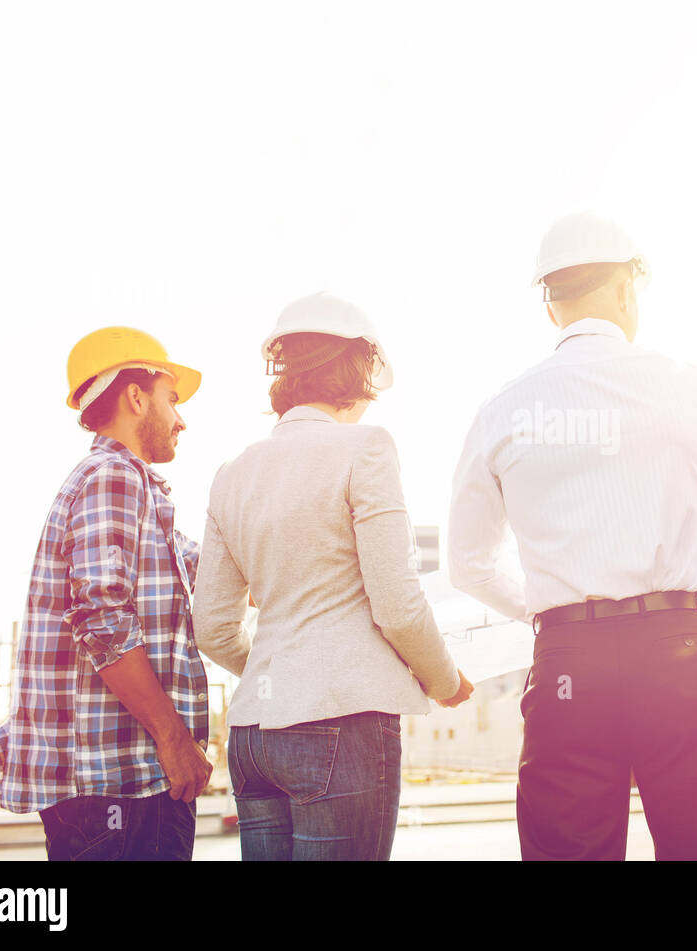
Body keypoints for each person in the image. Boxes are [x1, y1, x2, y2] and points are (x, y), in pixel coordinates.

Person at [448, 212, 697, 861]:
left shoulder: (502, 411)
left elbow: (467, 564)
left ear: (549, 307)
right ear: (628, 291)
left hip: (571, 665)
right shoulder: (683, 386)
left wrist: (548, 609)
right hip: (674, 654)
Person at [192, 292, 472, 862]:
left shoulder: (231, 473)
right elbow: (397, 604)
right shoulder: (366, 448)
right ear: (357, 368)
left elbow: (214, 629)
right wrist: (447, 683)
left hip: (252, 736)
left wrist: (287, 674)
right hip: (340, 725)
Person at [0, 327, 210, 861]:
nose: (182, 420)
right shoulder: (113, 477)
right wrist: (174, 739)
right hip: (119, 785)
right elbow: (103, 621)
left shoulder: (128, 492)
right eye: (171, 400)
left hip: (114, 789)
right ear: (136, 396)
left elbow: (210, 571)